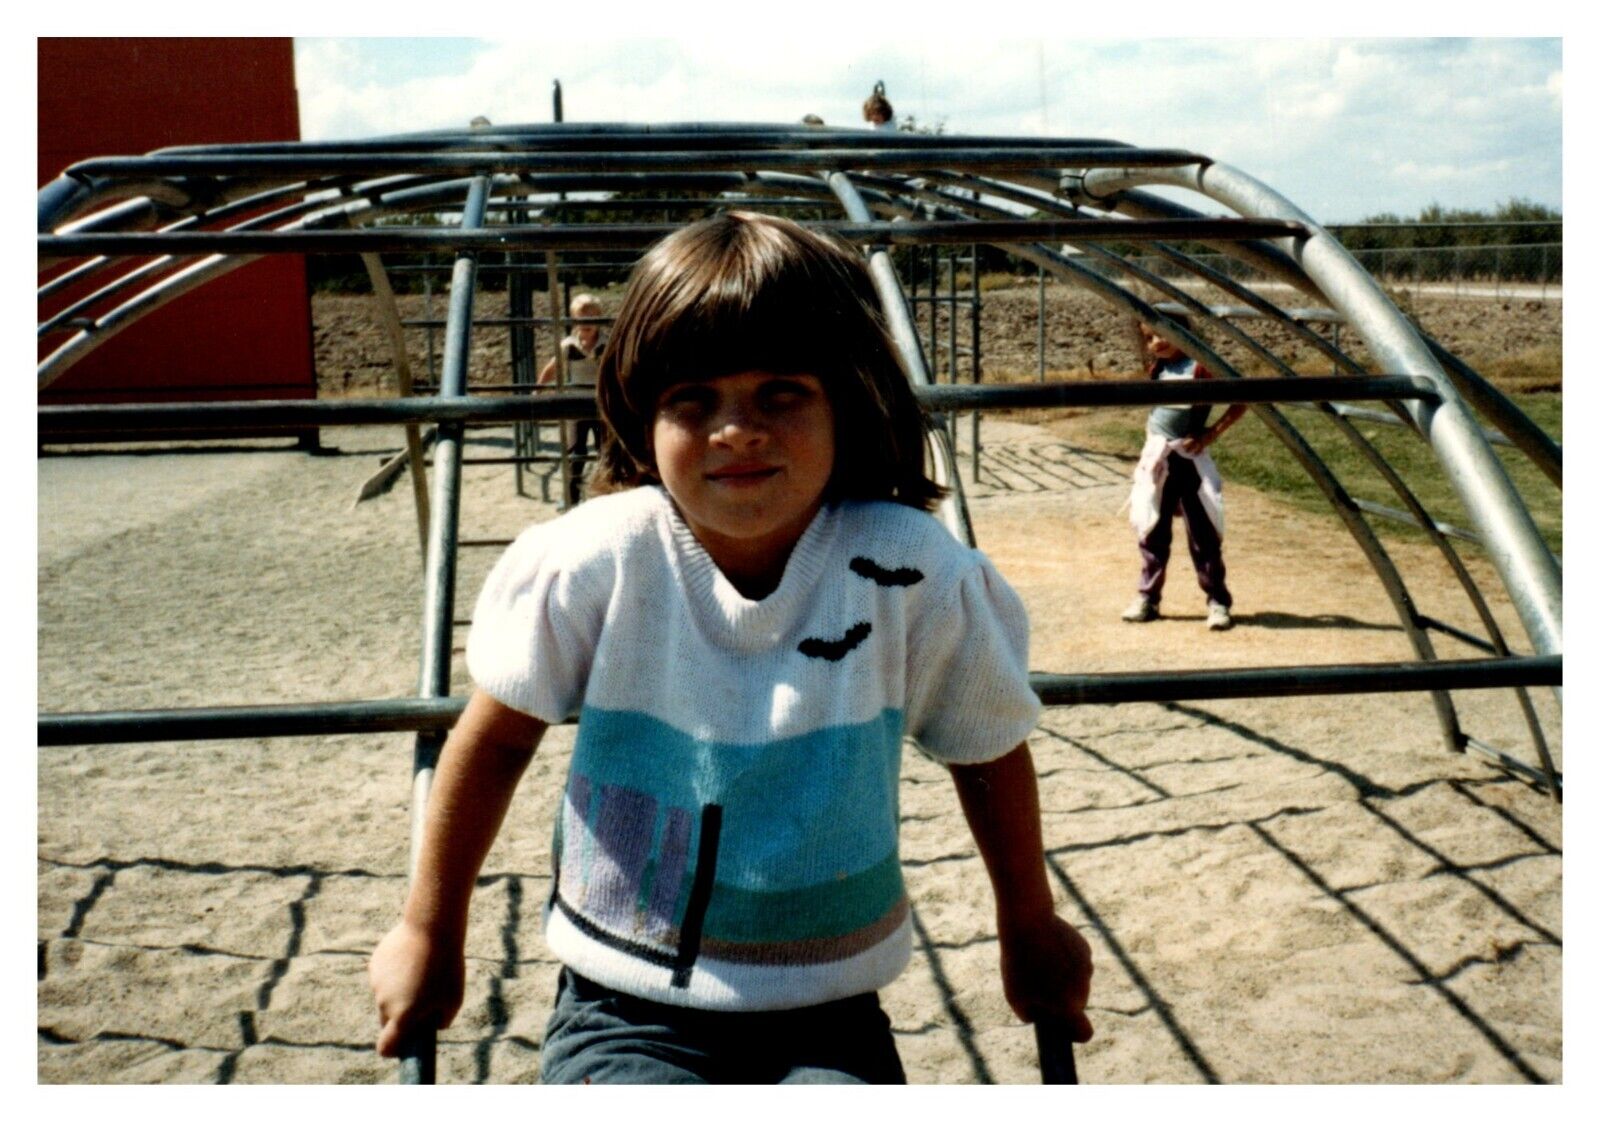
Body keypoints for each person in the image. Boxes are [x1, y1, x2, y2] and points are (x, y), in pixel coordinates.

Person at [369, 211, 1094, 1084]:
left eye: (782, 391)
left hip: (830, 1006)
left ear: (848, 398)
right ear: (645, 416)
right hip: (625, 1000)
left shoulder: (910, 573)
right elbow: (492, 742)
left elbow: (985, 747)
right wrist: (429, 930)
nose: (737, 429)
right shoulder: (600, 560)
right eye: (693, 399)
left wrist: (1029, 921)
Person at [1121, 314, 1247, 630]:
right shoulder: (1158, 369)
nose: (1156, 344)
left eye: (1161, 335)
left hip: (1188, 461)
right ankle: (1148, 598)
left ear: (1182, 332)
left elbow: (1241, 400)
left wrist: (1208, 435)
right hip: (1158, 462)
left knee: (1203, 535)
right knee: (1152, 531)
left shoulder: (1200, 368)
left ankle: (1217, 600)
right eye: (1148, 339)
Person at [537, 293, 606, 508]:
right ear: (574, 320)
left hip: (601, 404)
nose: (586, 324)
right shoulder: (569, 345)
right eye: (581, 319)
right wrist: (538, 390)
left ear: (599, 319)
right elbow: (552, 368)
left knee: (606, 450)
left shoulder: (607, 343)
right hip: (576, 404)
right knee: (575, 451)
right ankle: (571, 496)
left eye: (591, 318)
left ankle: (605, 493)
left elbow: (617, 368)